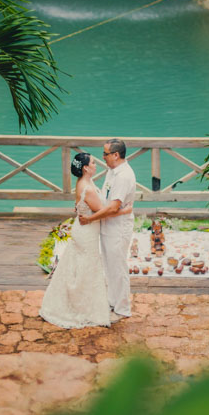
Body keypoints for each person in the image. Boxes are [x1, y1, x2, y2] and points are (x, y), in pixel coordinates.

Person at [39, 153, 115, 328]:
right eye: (94, 163)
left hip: (83, 230)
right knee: (86, 271)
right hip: (86, 232)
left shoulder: (84, 182)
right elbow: (101, 211)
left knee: (78, 269)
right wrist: (123, 210)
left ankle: (75, 303)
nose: (97, 164)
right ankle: (82, 308)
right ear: (86, 168)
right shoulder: (87, 187)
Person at [79, 138, 136, 322]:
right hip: (108, 226)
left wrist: (89, 219)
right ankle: (112, 302)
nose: (102, 157)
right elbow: (105, 199)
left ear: (116, 155)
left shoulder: (124, 176)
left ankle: (122, 309)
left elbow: (112, 208)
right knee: (110, 267)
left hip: (117, 229)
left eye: (105, 153)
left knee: (118, 268)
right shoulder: (112, 171)